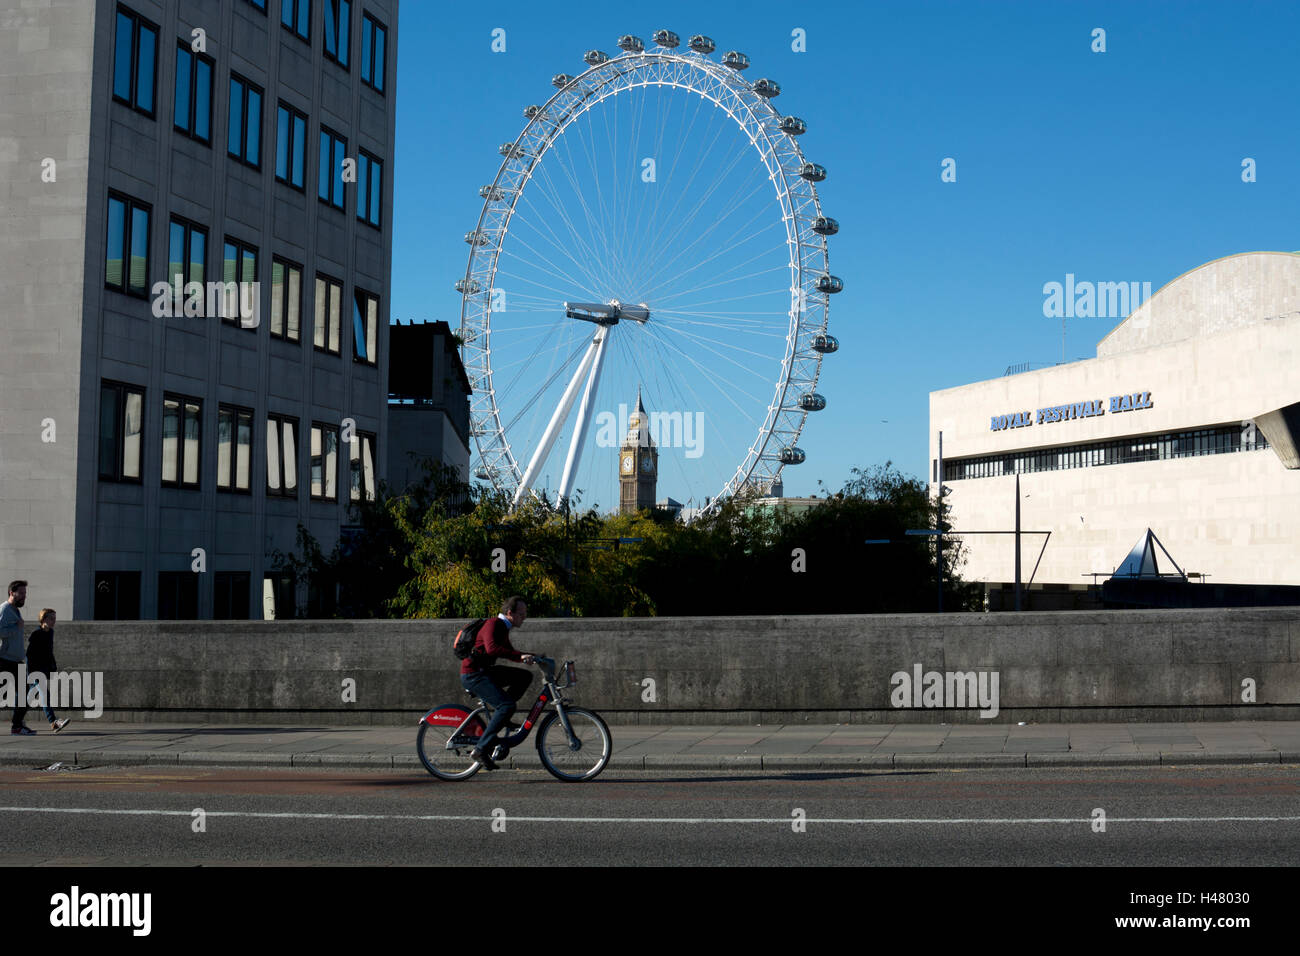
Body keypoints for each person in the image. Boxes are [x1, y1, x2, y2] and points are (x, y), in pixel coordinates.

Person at [461, 595, 536, 771]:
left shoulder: (504, 627)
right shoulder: (494, 624)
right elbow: (492, 648)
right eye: (521, 614)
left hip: (484, 671)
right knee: (507, 705)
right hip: (473, 674)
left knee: (524, 677)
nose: (524, 617)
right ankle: (480, 749)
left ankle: (503, 717)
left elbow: (510, 651)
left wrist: (535, 656)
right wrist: (520, 656)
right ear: (510, 613)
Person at [28, 609, 69, 733]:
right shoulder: (36, 634)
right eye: (51, 618)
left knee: (26, 697)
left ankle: (17, 720)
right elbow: (29, 655)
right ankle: (54, 722)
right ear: (43, 619)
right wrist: (31, 673)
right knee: (45, 694)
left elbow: (49, 652)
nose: (54, 621)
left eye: (55, 618)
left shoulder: (50, 632)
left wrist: (53, 667)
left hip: (43, 669)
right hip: (34, 671)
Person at [0, 581, 33, 735]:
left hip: (16, 660)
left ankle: (17, 726)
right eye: (22, 593)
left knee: (25, 693)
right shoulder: (5, 609)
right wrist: (15, 627)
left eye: (25, 594)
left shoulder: (15, 610)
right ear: (12, 593)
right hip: (5, 660)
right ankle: (17, 725)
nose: (24, 597)